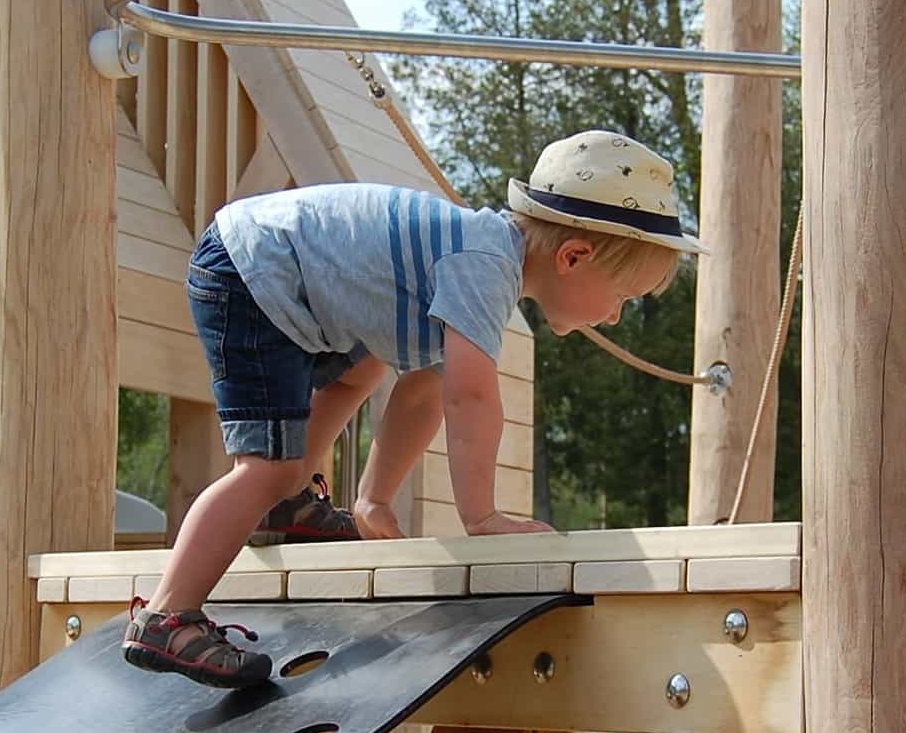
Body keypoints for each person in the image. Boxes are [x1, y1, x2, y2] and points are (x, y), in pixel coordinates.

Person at [122, 129, 703, 688]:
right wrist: (481, 517)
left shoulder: (469, 264)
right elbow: (470, 396)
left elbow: (422, 393)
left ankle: (288, 500)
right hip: (255, 269)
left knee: (361, 374)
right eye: (622, 298)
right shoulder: (483, 267)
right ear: (573, 257)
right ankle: (167, 615)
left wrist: (373, 498)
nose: (614, 317)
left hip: (296, 280)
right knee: (264, 466)